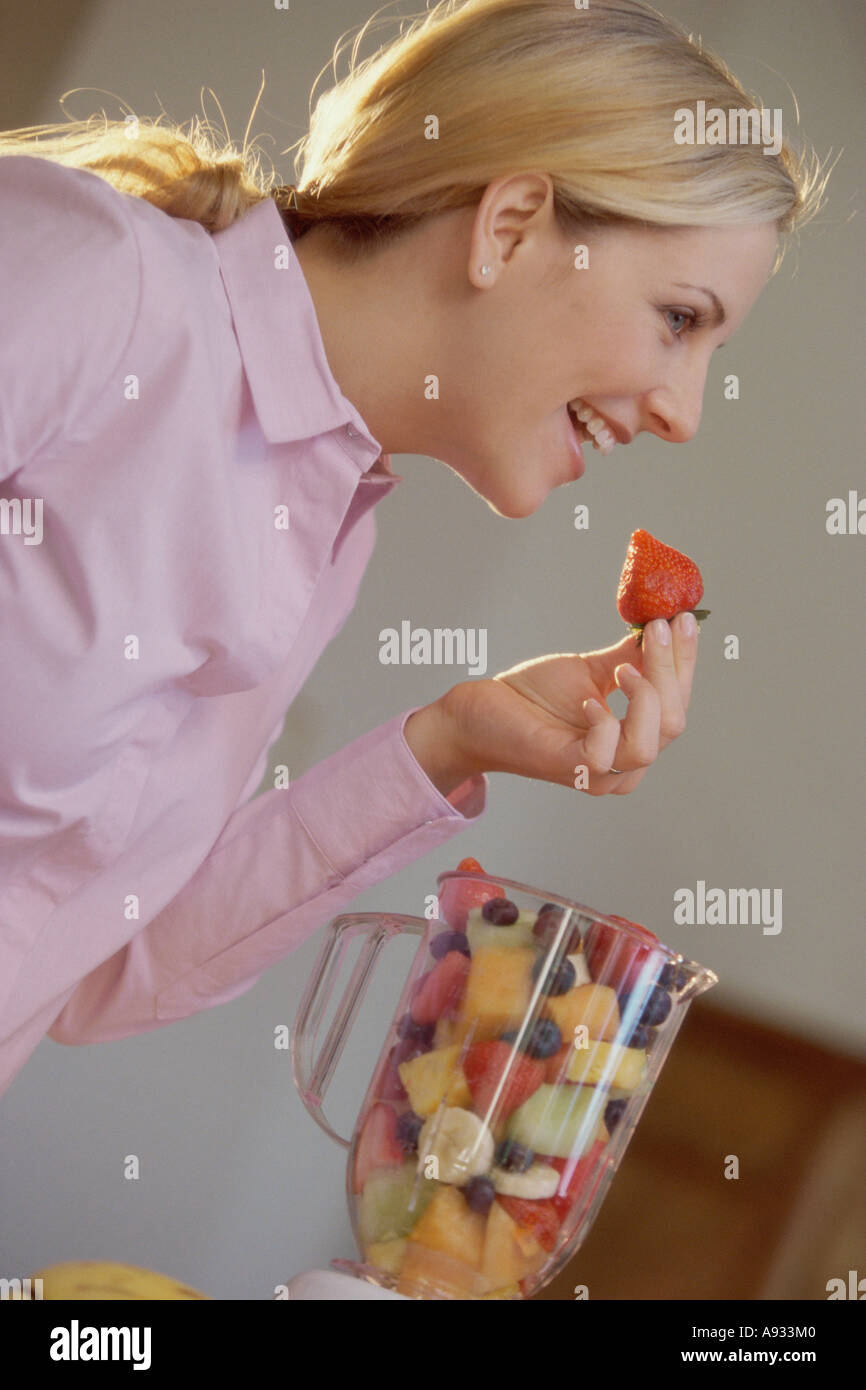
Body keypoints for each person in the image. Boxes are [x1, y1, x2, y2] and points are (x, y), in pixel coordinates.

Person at [0, 0, 830, 1097]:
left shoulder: (330, 531)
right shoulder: (97, 280)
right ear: (512, 224)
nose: (684, 410)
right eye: (679, 318)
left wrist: (447, 744)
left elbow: (102, 973)